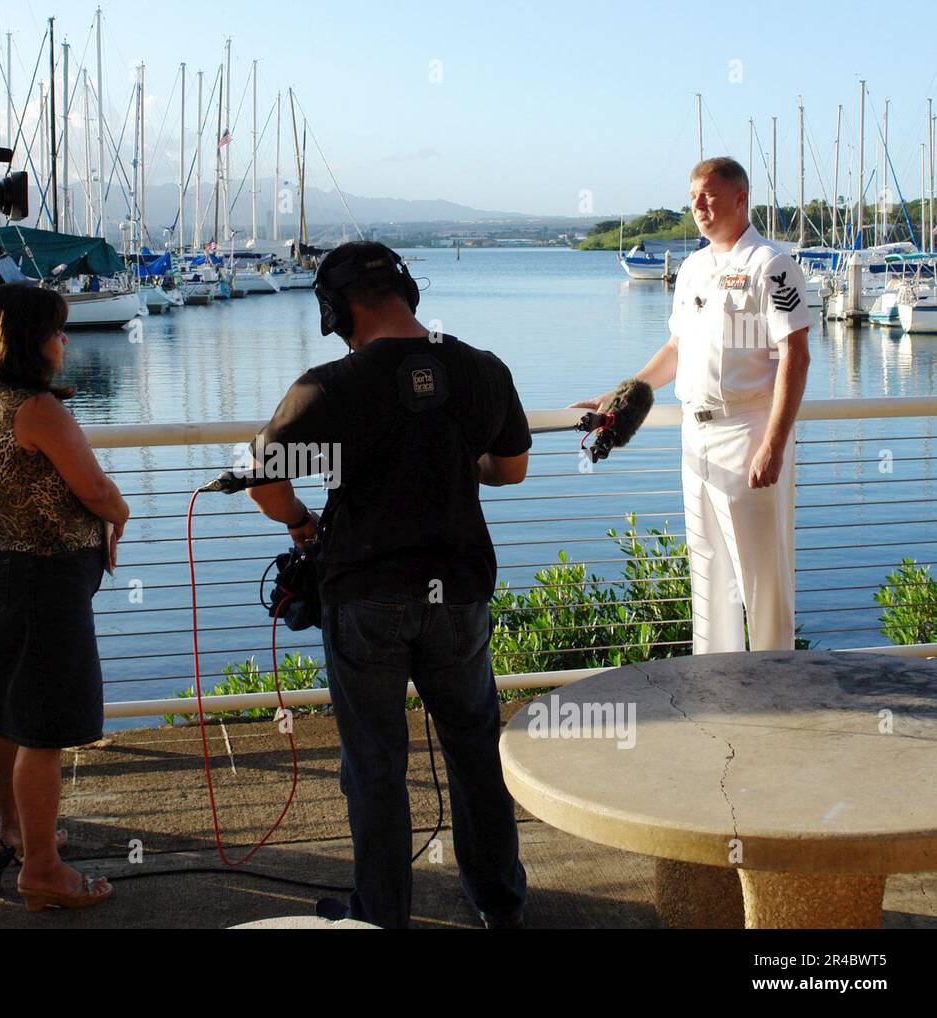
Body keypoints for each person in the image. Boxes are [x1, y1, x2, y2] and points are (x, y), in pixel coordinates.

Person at [246, 241, 530, 929]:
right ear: (409, 292)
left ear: (333, 310)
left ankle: (380, 917)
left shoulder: (326, 387)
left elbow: (265, 481)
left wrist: (304, 527)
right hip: (457, 592)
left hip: (365, 597)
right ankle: (498, 901)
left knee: (374, 765)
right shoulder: (482, 369)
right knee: (474, 749)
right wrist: (462, 461)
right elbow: (511, 468)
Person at [575, 157, 811, 653]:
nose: (699, 206)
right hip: (695, 434)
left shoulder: (770, 264)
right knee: (708, 569)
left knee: (761, 576)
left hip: (749, 429)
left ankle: (780, 691)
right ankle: (719, 688)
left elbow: (796, 354)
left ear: (741, 198)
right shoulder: (693, 267)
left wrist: (774, 443)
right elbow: (677, 350)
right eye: (693, 197)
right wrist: (623, 392)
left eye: (709, 194)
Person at [0, 282, 127, 912]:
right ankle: (45, 870)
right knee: (45, 729)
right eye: (56, 329)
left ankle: (18, 833)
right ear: (29, 339)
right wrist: (120, 515)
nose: (64, 339)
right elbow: (95, 487)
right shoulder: (37, 409)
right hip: (43, 581)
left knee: (3, 709)